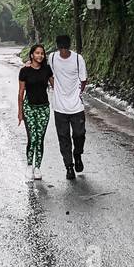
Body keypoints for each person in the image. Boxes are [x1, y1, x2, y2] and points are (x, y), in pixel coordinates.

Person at [50, 34, 88, 180]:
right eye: (61, 49)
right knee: (63, 137)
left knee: (79, 134)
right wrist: (56, 88)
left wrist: (77, 93)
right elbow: (49, 74)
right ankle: (69, 166)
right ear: (58, 48)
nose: (64, 52)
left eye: (66, 49)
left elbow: (83, 79)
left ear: (70, 47)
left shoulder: (78, 59)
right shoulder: (53, 58)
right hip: (59, 107)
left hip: (76, 107)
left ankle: (77, 154)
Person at [17, 43, 53, 182]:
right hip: (29, 107)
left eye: (42, 53)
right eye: (37, 53)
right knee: (32, 137)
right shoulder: (24, 71)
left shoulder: (47, 70)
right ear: (32, 55)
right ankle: (29, 165)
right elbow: (20, 93)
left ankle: (37, 167)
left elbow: (56, 85)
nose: (40, 55)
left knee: (40, 138)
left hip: (43, 108)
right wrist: (20, 112)